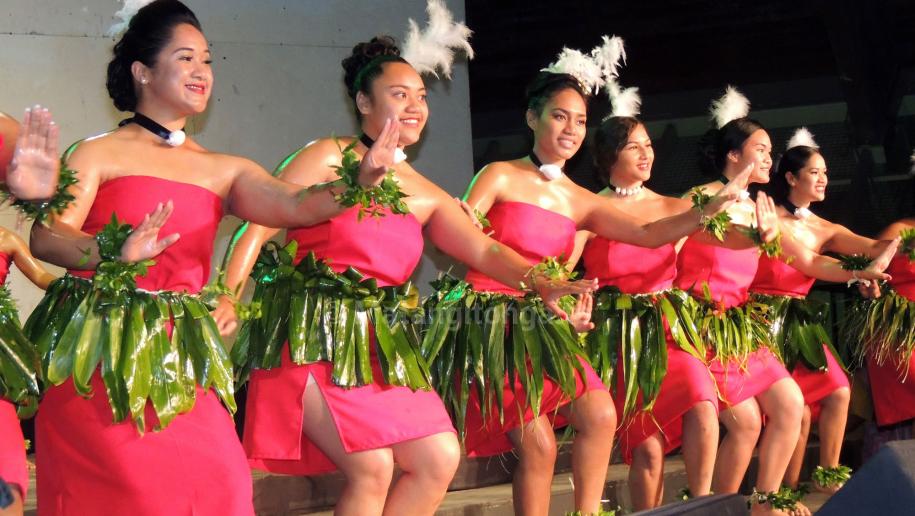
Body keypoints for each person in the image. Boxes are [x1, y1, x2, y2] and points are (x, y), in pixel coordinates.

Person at [24, 1, 419, 513]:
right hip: (103, 355)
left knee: (224, 490)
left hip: (183, 356)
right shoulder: (97, 153)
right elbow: (46, 236)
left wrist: (360, 181)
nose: (201, 72)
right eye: (185, 58)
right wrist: (109, 251)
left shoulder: (223, 169)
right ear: (142, 71)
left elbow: (297, 205)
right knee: (134, 498)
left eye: (207, 60)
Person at [215, 31, 595, 515]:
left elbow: (483, 248)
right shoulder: (327, 156)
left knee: (439, 455)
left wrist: (542, 280)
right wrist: (227, 292)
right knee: (371, 467)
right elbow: (258, 226)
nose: (416, 105)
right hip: (311, 336)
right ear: (363, 102)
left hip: (379, 343)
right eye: (400, 95)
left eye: (421, 96)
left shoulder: (424, 193)